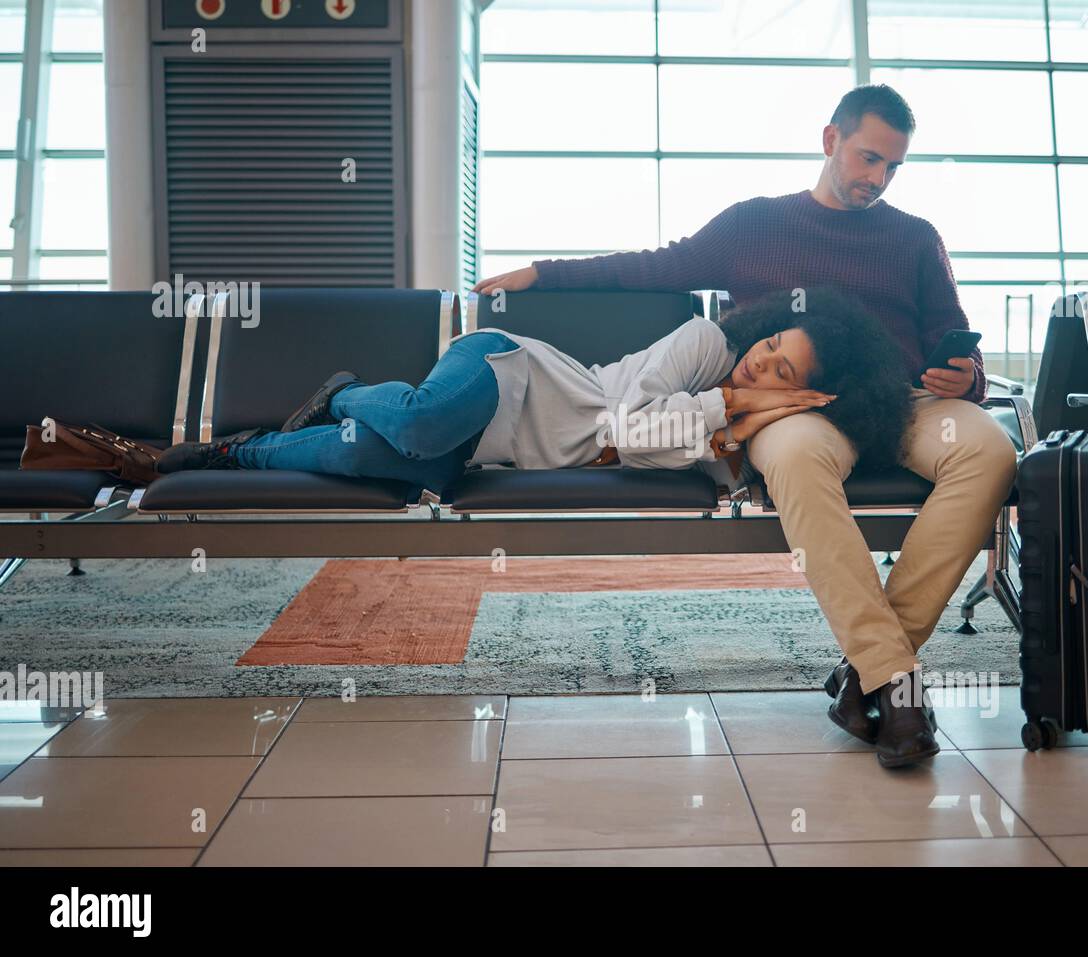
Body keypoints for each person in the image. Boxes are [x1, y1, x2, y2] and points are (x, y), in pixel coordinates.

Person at [471, 84, 1019, 769]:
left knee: (992, 452)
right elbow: (651, 267)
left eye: (891, 167)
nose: (875, 178)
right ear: (830, 140)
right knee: (791, 457)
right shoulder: (753, 225)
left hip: (902, 401)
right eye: (867, 157)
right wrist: (539, 273)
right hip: (793, 407)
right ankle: (894, 677)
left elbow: (953, 340)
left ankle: (871, 669)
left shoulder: (914, 238)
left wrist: (966, 379)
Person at [157, 289, 914, 510]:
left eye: (783, 374)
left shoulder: (746, 432)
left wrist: (753, 416)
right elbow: (622, 427)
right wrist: (739, 404)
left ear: (808, 396)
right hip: (511, 375)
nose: (763, 360)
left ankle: (230, 449)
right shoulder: (701, 345)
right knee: (417, 421)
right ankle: (352, 392)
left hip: (497, 445)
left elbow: (644, 451)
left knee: (373, 459)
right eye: (773, 344)